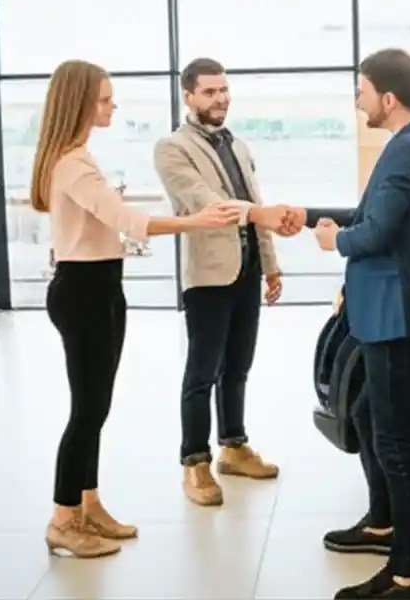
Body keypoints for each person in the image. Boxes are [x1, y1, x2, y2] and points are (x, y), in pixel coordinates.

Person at [30, 59, 243, 558]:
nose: (111, 107)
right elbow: (130, 222)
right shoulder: (73, 163)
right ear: (80, 102)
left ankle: (88, 504)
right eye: (104, 99)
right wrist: (197, 221)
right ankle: (63, 519)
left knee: (95, 408)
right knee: (87, 411)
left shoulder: (77, 158)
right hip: (84, 290)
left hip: (100, 286)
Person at [312, 49, 410, 600]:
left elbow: (375, 234)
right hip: (391, 311)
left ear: (387, 98)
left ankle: (407, 576)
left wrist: (333, 242)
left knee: (396, 444)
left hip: (395, 318)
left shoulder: (406, 152)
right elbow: (376, 215)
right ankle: (384, 522)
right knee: (370, 415)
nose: (358, 101)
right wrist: (313, 217)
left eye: (362, 91)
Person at [153, 57, 299, 506]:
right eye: (211, 92)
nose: (221, 99)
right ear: (189, 96)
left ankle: (233, 447)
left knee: (238, 365)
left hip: (248, 268)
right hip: (209, 275)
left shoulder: (237, 147)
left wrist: (270, 263)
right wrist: (259, 216)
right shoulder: (171, 148)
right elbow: (206, 202)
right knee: (203, 371)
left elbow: (256, 203)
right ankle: (194, 462)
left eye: (224, 90)